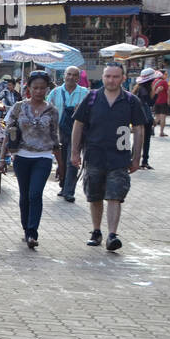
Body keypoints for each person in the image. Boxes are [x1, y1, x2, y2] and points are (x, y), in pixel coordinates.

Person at [71, 63, 146, 252]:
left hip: (119, 158)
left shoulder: (131, 101)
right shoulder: (91, 98)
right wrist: (74, 152)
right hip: (94, 156)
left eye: (115, 76)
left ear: (123, 78)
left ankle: (112, 235)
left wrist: (137, 157)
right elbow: (78, 125)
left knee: (115, 196)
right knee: (94, 196)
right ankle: (96, 231)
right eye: (108, 76)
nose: (111, 80)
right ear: (102, 78)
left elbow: (138, 129)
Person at [0, 71, 60, 248]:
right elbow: (8, 134)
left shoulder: (52, 111)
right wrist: (2, 159)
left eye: (42, 88)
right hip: (22, 156)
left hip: (43, 157)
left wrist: (61, 165)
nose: (39, 91)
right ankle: (26, 229)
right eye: (35, 88)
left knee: (35, 193)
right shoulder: (18, 108)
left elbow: (56, 138)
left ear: (47, 89)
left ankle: (33, 232)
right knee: (25, 195)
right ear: (29, 89)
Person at [47, 65, 88, 203]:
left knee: (73, 160)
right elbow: (47, 109)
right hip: (58, 131)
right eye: (69, 74)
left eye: (74, 75)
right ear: (64, 76)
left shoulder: (84, 93)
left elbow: (91, 112)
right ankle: (63, 185)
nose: (71, 77)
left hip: (77, 132)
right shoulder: (55, 92)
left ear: (78, 77)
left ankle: (69, 191)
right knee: (62, 161)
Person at [133, 68, 157, 169]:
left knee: (138, 140)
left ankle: (136, 160)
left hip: (140, 118)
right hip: (144, 119)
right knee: (145, 140)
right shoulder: (144, 90)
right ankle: (143, 161)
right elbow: (150, 103)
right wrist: (156, 93)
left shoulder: (139, 88)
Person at [154, 69, 169, 137]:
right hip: (163, 101)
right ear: (161, 74)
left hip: (156, 101)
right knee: (163, 118)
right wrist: (169, 100)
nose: (166, 76)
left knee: (157, 118)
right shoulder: (164, 82)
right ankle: (161, 132)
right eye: (165, 74)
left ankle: (151, 128)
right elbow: (168, 92)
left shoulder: (154, 81)